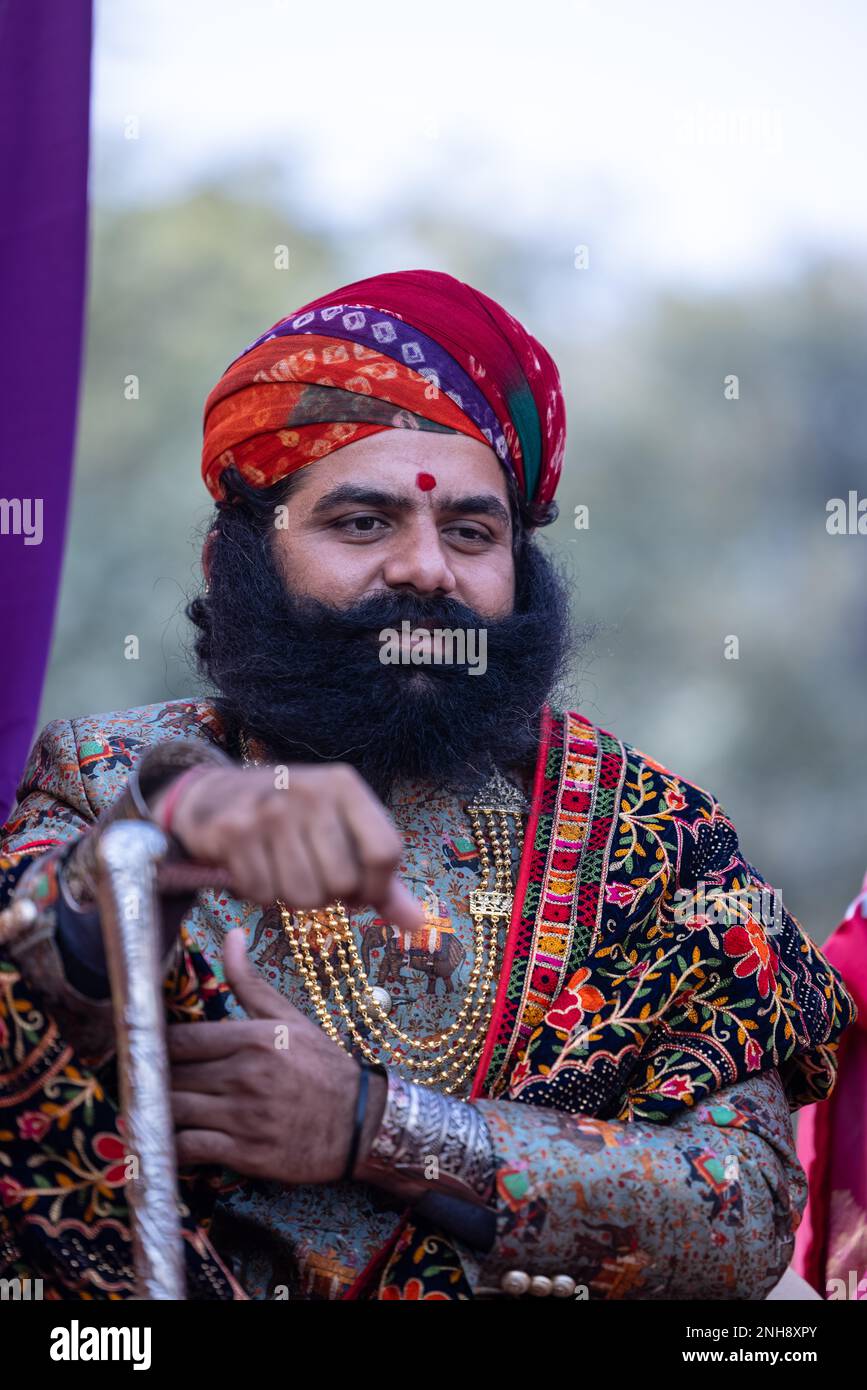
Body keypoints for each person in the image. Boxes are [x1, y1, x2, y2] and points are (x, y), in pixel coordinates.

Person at [0, 269, 856, 1301]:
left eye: (470, 532)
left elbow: (742, 1207)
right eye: (362, 523)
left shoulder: (656, 833)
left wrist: (378, 1127)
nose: (426, 569)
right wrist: (157, 840)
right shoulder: (108, 776)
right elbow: (19, 1021)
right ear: (236, 560)